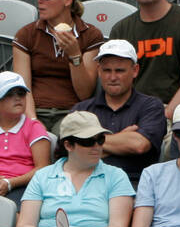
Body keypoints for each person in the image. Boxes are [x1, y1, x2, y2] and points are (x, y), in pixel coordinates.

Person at [16, 111, 135, 227]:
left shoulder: (116, 175)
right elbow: (24, 226)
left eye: (100, 139)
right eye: (88, 141)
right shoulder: (43, 175)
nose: (97, 146)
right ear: (68, 145)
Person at [13, 0, 103, 133]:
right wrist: (32, 122)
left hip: (72, 113)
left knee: (67, 137)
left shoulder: (90, 34)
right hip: (34, 111)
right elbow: (22, 88)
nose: (40, 1)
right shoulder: (26, 34)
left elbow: (85, 93)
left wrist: (74, 55)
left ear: (68, 0)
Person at [69, 38, 167, 187]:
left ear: (135, 71)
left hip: (135, 186)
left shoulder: (151, 106)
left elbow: (139, 144)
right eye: (107, 70)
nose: (113, 77)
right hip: (86, 184)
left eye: (120, 71)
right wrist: (121, 138)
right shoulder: (81, 109)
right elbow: (70, 155)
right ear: (98, 71)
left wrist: (87, 143)